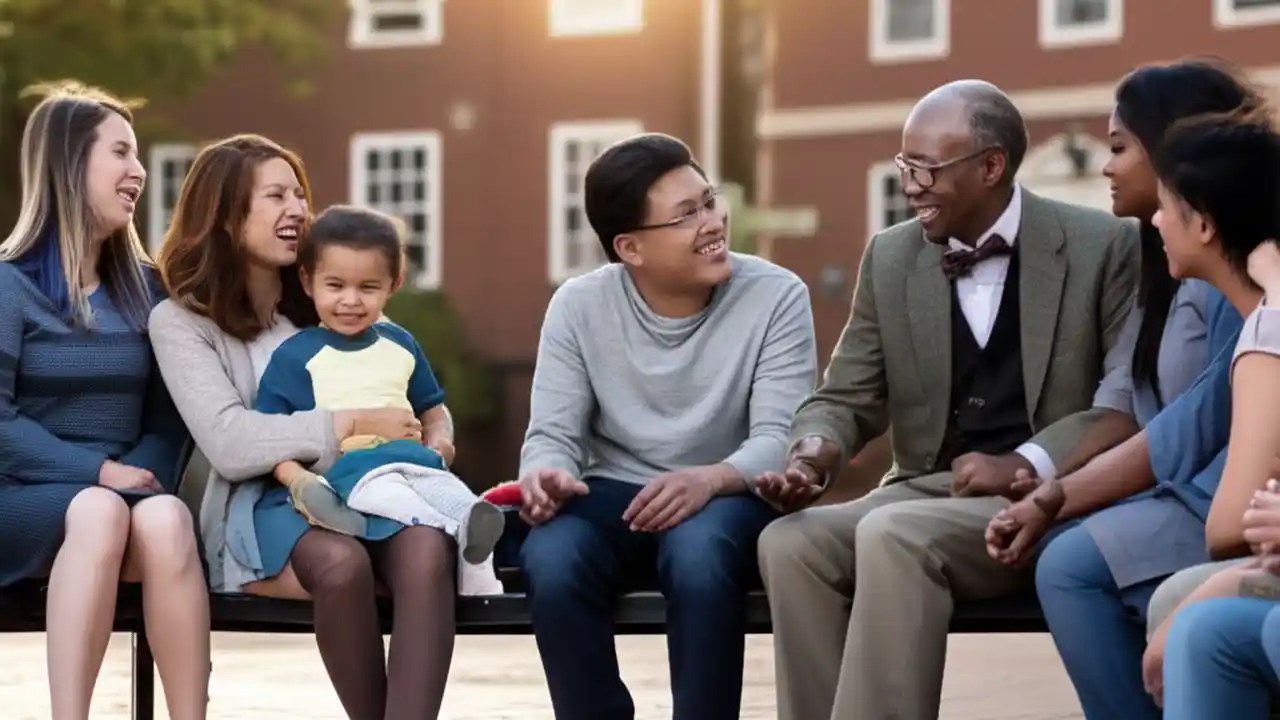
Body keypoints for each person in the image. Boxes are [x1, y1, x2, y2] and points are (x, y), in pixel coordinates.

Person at [754, 79, 1138, 720]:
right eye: (905, 166)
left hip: (1050, 498)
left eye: (927, 168)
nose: (911, 186)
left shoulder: (1103, 245)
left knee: (892, 534)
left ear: (991, 166)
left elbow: (1121, 403)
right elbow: (847, 394)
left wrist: (1022, 463)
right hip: (925, 488)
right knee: (791, 543)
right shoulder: (891, 255)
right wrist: (811, 458)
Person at [982, 58, 1259, 720]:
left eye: (1119, 147)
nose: (1106, 167)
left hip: (1216, 501)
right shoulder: (1159, 269)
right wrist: (1043, 481)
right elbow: (1123, 404)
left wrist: (1055, 496)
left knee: (1071, 564)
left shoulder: (1242, 286)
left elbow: (1197, 424)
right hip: (1175, 494)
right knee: (1069, 550)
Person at [149, 135, 456, 720]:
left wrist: (438, 441)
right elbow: (231, 444)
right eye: (276, 196)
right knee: (343, 562)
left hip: (374, 492)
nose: (297, 209)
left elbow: (408, 388)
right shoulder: (182, 321)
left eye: (299, 195)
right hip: (262, 509)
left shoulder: (330, 300)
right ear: (225, 212)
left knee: (427, 547)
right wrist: (351, 423)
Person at [515, 132, 817, 720]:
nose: (712, 223)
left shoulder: (776, 297)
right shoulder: (578, 306)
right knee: (551, 556)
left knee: (698, 552)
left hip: (727, 497)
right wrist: (545, 473)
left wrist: (711, 479)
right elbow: (553, 433)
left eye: (709, 202)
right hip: (616, 497)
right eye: (686, 216)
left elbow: (781, 437)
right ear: (630, 247)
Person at [0, 82, 205, 720]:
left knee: (168, 520)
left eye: (136, 154)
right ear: (69, 164)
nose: (137, 170)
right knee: (96, 511)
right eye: (120, 153)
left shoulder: (149, 290)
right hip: (20, 499)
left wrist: (136, 480)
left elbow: (169, 425)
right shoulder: (8, 286)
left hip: (119, 498)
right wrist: (98, 473)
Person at [253, 204, 503, 595]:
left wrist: (441, 443)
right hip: (355, 473)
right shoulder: (295, 356)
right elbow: (268, 435)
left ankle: (480, 581)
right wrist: (299, 481)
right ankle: (452, 539)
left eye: (368, 288)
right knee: (416, 513)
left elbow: (432, 409)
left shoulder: (401, 344)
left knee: (467, 507)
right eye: (335, 286)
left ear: (393, 284)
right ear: (307, 281)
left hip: (420, 465)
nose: (351, 300)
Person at [1130, 110, 1280, 709]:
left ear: (1205, 225)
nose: (1155, 219)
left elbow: (1228, 528)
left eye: (1166, 204)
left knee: (1189, 608)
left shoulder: (1265, 328)